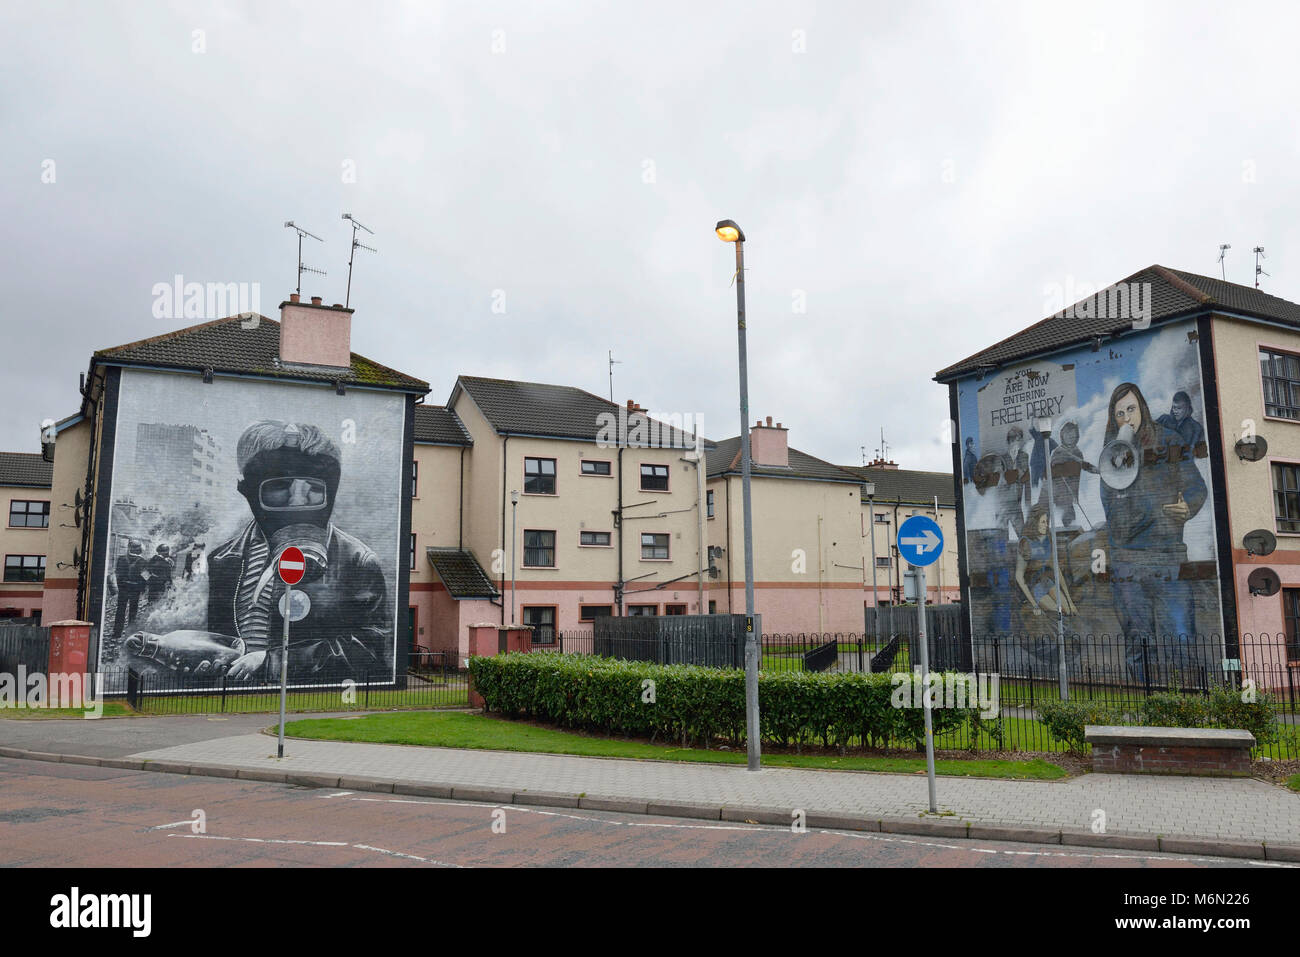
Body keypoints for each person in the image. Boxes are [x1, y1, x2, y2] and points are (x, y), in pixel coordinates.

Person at [206, 420, 390, 682]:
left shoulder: (356, 561)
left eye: (314, 488)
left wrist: (275, 663)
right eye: (280, 486)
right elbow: (219, 640)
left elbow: (369, 651)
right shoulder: (224, 560)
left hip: (302, 697)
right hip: (237, 694)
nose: (298, 500)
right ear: (246, 489)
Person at [1100, 382, 1207, 685]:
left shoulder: (1170, 441)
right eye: (1119, 413)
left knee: (1180, 634)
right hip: (1128, 563)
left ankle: (1189, 702)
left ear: (1142, 409)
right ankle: (1142, 699)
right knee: (1138, 639)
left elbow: (1197, 487)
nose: (1127, 418)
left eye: (1131, 409)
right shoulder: (1112, 453)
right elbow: (1112, 512)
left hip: (1168, 558)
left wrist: (1188, 507)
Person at [1047, 420, 1098, 526]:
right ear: (1062, 435)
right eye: (1067, 433)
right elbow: (1055, 470)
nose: (1070, 436)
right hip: (1059, 492)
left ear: (1077, 436)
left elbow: (1081, 466)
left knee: (1070, 517)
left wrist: (1096, 470)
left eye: (1073, 433)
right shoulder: (1058, 452)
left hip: (1071, 493)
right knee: (1067, 516)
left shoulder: (1077, 452)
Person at [110, 540, 145, 641]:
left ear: (129, 548)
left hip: (123, 588)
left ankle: (117, 633)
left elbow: (117, 574)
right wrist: (142, 588)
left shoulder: (121, 559)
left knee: (120, 610)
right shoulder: (143, 561)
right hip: (135, 589)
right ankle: (130, 634)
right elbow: (145, 577)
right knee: (133, 611)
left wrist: (120, 586)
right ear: (139, 549)